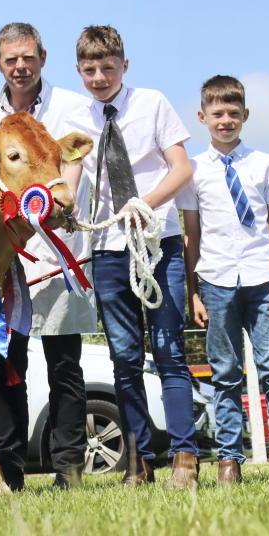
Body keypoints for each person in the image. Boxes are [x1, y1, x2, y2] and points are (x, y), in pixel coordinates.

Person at [0, 22, 97, 490]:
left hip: (61, 253)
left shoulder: (73, 107)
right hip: (2, 262)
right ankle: (11, 469)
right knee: (8, 367)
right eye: (11, 59)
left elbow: (75, 163)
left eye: (28, 57)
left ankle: (69, 470)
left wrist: (60, 209)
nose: (21, 66)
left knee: (64, 365)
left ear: (43, 58)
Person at [62, 25, 199, 489]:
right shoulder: (76, 116)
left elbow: (182, 167)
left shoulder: (153, 103)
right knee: (124, 356)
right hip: (107, 249)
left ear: (125, 64)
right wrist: (62, 208)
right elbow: (72, 174)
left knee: (167, 349)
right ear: (79, 70)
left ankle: (184, 455)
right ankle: (140, 460)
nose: (99, 77)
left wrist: (148, 202)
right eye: (89, 70)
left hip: (159, 242)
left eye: (107, 67)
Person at [177, 75, 269, 484]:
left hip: (263, 277)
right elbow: (191, 234)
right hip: (216, 279)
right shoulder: (194, 170)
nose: (225, 120)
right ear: (202, 116)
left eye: (233, 113)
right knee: (225, 372)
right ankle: (229, 461)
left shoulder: (264, 164)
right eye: (217, 113)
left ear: (245, 116)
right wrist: (193, 292)